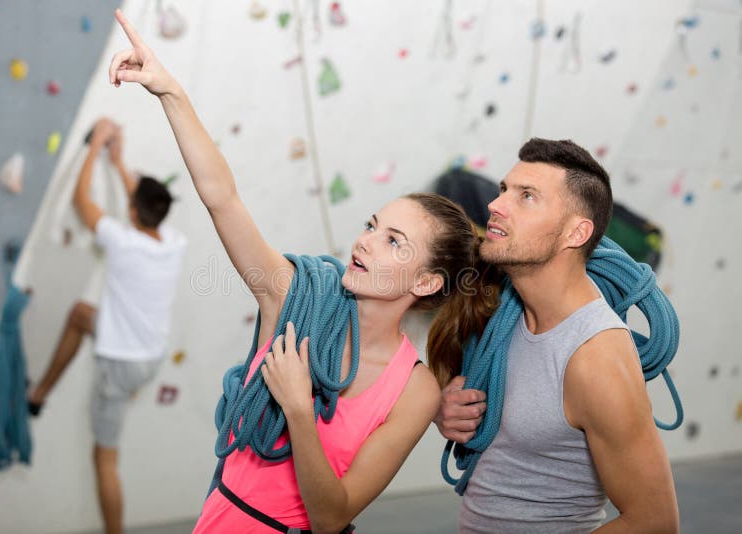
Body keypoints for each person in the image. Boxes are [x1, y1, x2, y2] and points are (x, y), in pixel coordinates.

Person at [107, 9, 500, 533]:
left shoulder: (417, 390)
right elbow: (222, 198)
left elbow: (333, 514)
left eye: (393, 241)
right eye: (371, 225)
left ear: (426, 283)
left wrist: (297, 407)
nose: (365, 241)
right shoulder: (293, 297)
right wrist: (170, 91)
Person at [432, 138, 680, 532]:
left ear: (575, 232)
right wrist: (444, 407)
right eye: (503, 190)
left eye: (526, 196)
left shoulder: (595, 357)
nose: (496, 206)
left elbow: (654, 522)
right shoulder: (506, 314)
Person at [27, 117, 186, 534]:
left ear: (133, 211)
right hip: (150, 354)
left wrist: (95, 145)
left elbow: (82, 201)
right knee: (81, 314)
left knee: (106, 458)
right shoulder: (172, 243)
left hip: (121, 363)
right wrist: (118, 161)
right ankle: (40, 391)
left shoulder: (121, 239)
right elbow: (145, 203)